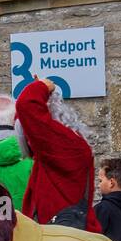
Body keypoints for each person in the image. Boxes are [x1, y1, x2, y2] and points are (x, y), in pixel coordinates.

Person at [15, 78, 101, 231]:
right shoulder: (57, 149)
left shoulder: (63, 146)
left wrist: (44, 86)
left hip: (64, 239)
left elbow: (26, 105)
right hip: (64, 235)